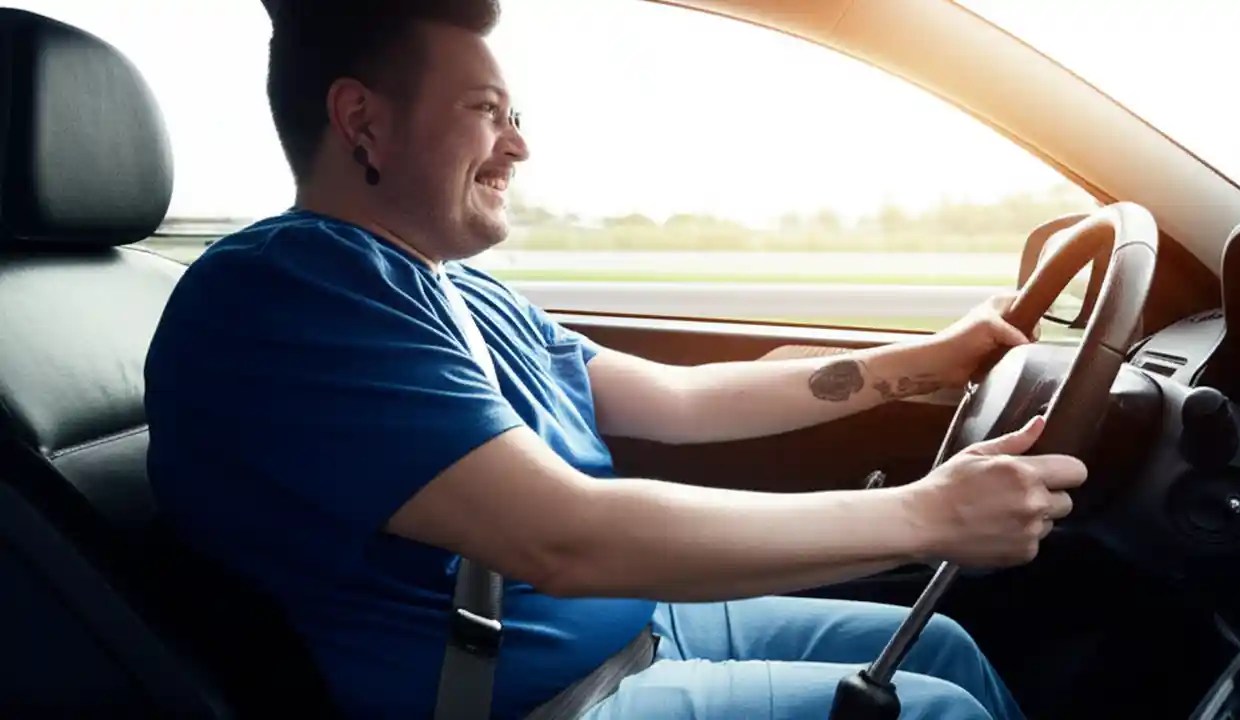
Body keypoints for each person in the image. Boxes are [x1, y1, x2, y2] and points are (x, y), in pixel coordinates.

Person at [144, 1, 1087, 718]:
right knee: (935, 710)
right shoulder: (292, 292)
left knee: (943, 647)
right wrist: (924, 515)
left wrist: (931, 360)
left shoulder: (459, 291)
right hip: (528, 697)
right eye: (485, 111)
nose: (519, 144)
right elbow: (563, 538)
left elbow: (684, 398)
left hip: (638, 624)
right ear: (362, 121)